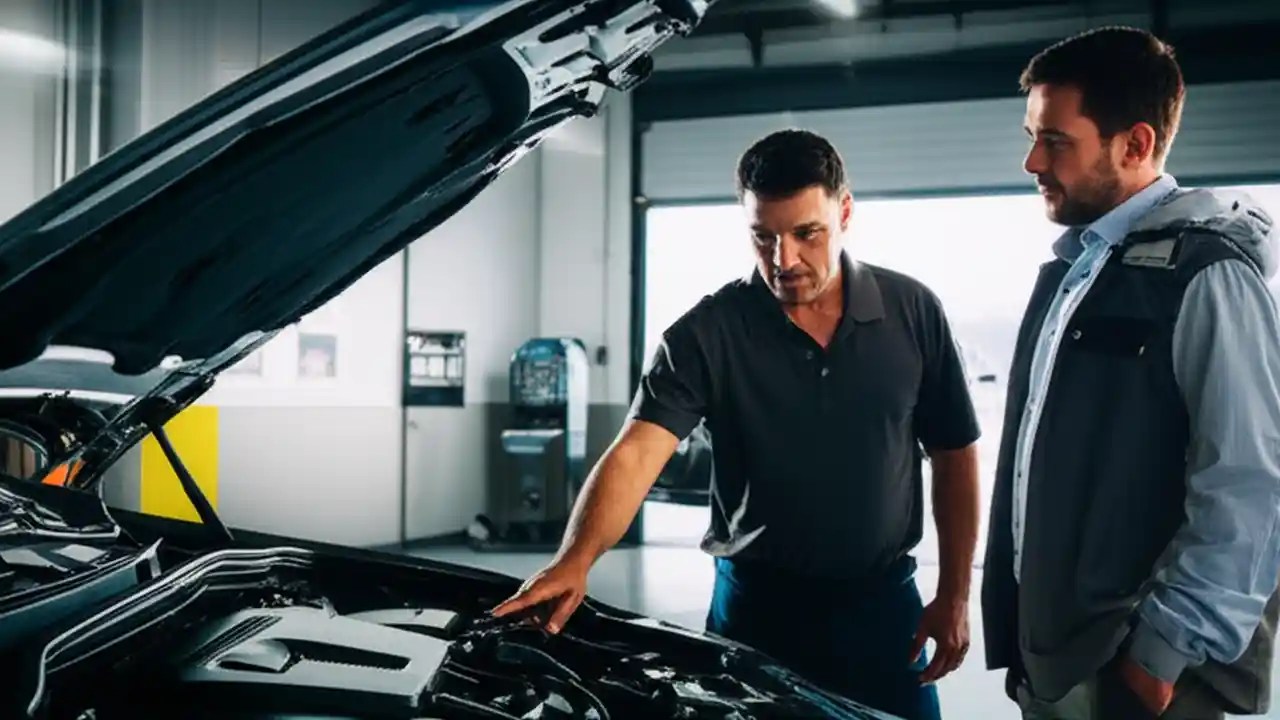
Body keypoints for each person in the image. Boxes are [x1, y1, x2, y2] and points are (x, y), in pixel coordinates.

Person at [491, 129, 983, 720]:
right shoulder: (706, 334)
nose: (785, 260)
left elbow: (954, 453)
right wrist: (575, 560)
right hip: (756, 611)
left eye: (807, 234)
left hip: (882, 609)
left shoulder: (913, 311)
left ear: (844, 213)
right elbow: (635, 455)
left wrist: (955, 593)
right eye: (764, 237)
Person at [981, 26, 1280, 720]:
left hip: (1141, 677)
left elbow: (1251, 485)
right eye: (1032, 134)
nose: (1031, 160)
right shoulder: (1071, 273)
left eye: (1055, 140)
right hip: (1055, 656)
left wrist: (1159, 655)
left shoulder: (1209, 277)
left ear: (1136, 144)